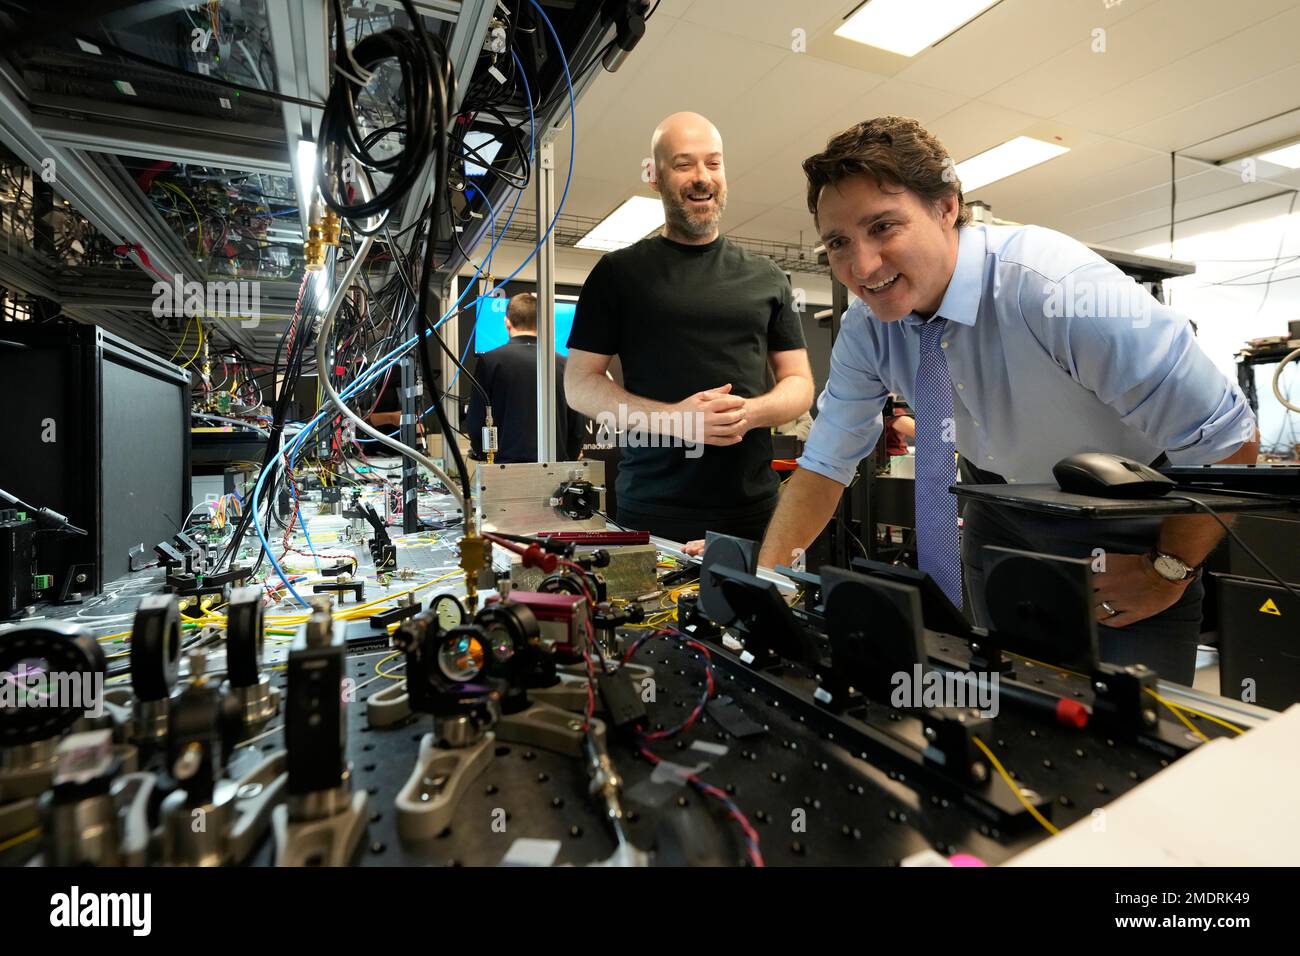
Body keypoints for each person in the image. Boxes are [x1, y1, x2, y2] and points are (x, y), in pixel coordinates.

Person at [758, 116, 1258, 685]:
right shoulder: (867, 328)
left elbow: (1229, 440)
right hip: (999, 508)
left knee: (1126, 737)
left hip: (1128, 519)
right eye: (839, 242)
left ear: (947, 207)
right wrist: (767, 587)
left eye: (883, 227)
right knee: (1001, 698)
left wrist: (1166, 570)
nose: (862, 267)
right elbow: (824, 465)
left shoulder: (1055, 288)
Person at [565, 111, 814, 543]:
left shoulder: (768, 276)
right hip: (653, 508)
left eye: (713, 163)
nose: (702, 177)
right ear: (655, 176)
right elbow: (579, 385)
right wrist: (677, 420)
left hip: (753, 509)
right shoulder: (618, 274)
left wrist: (748, 413)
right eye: (684, 164)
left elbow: (800, 384)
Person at [464, 292, 586, 463]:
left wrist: (486, 456)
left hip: (505, 469)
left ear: (507, 323)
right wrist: (566, 458)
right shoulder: (564, 364)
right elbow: (577, 428)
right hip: (555, 468)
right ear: (542, 322)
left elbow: (477, 423)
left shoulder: (490, 361)